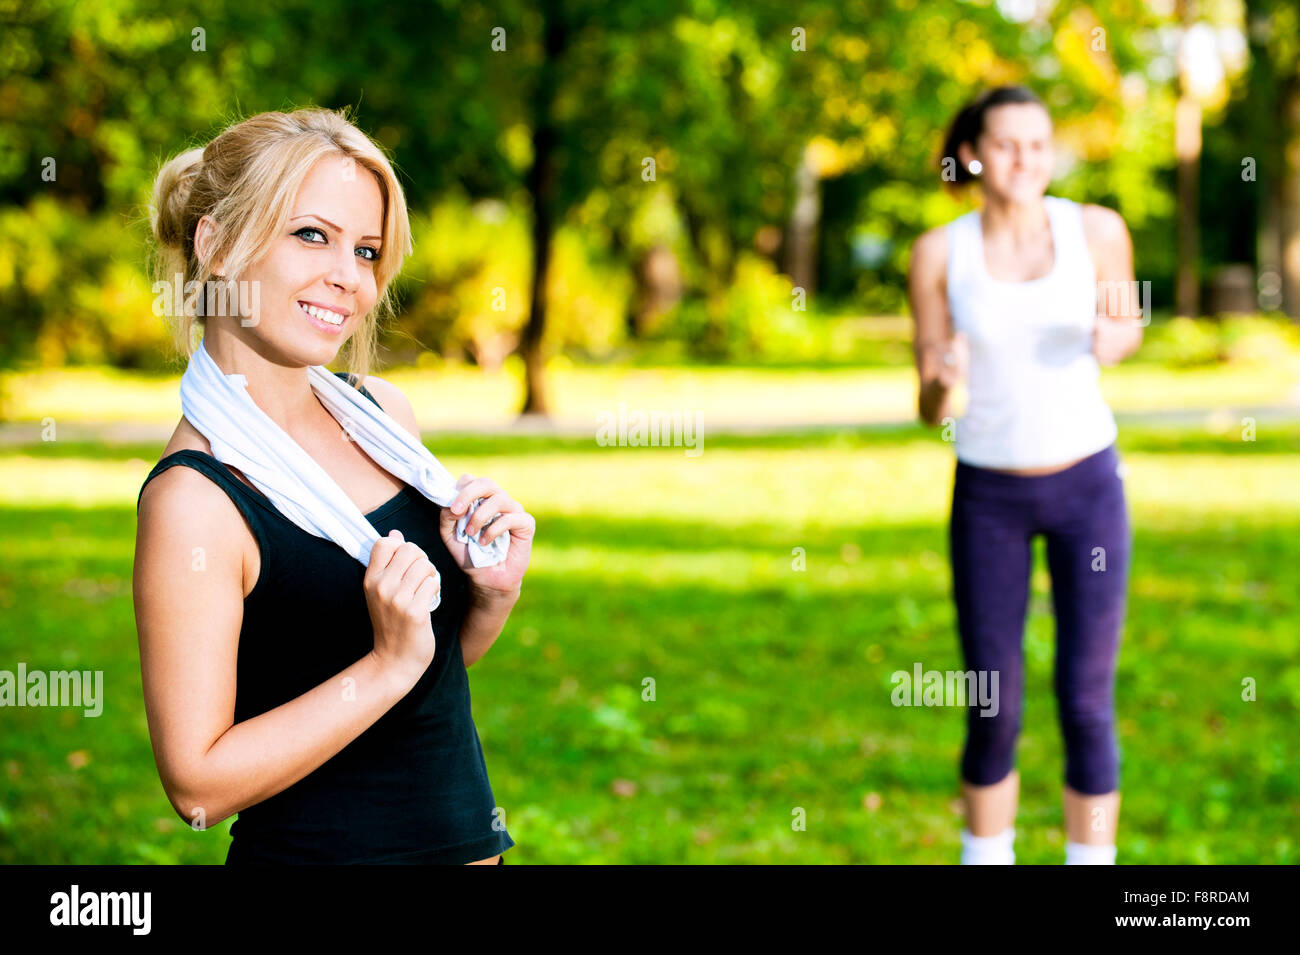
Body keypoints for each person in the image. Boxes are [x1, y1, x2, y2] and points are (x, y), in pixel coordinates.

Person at [133, 107, 535, 864]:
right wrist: (382, 666)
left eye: (368, 249)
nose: (348, 277)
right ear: (214, 244)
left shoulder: (383, 415)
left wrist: (491, 594)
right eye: (311, 234)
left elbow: (430, 671)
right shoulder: (197, 501)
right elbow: (197, 788)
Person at [906, 85, 1144, 864]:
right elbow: (929, 404)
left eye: (1039, 145)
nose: (1026, 160)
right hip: (989, 495)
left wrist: (1116, 337)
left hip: (1087, 489)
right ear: (973, 153)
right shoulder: (941, 252)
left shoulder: (1098, 230)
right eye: (1008, 145)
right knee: (993, 704)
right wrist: (945, 375)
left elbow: (1125, 325)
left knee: (1085, 700)